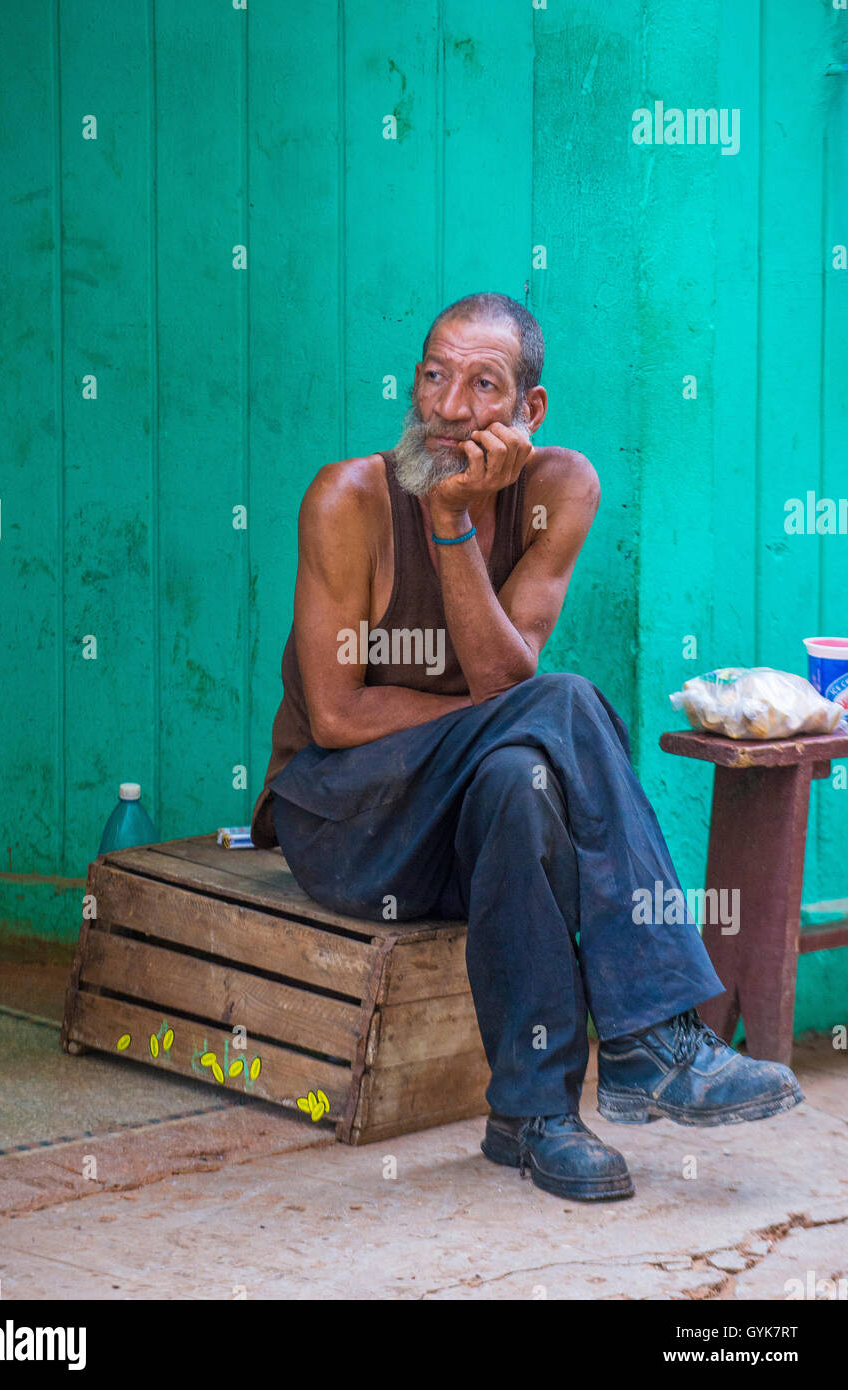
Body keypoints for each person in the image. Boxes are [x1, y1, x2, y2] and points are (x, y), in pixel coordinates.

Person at [250, 291, 803, 1203]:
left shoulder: (559, 488)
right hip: (350, 824)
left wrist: (457, 526)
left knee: (518, 777)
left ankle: (531, 1117)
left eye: (482, 384)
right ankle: (652, 1034)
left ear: (528, 411)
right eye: (434, 376)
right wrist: (442, 517)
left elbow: (505, 693)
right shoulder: (347, 497)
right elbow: (340, 717)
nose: (451, 408)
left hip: (460, 824)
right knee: (561, 708)